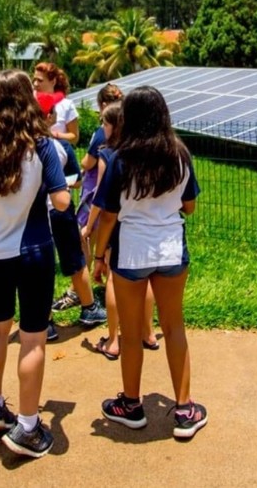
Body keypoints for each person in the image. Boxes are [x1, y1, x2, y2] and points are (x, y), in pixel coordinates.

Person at [0, 69, 71, 459]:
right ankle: (28, 425)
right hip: (34, 251)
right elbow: (60, 202)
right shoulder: (40, 145)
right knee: (32, 337)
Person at [93, 86, 208, 440]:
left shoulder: (118, 159)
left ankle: (131, 404)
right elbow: (189, 206)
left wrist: (98, 257)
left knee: (130, 333)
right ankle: (185, 408)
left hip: (131, 252)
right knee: (173, 328)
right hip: (172, 249)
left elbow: (109, 216)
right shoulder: (180, 155)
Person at [82, 102, 159, 360]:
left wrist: (90, 228)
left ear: (115, 125)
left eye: (104, 123)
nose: (101, 128)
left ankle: (113, 340)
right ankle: (148, 333)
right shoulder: (145, 152)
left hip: (117, 225)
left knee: (114, 279)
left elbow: (100, 200)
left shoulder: (108, 156)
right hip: (144, 226)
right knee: (146, 280)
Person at [36, 91, 106, 343]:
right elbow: (76, 181)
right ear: (47, 116)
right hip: (60, 210)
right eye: (53, 111)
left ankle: (44, 322)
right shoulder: (60, 146)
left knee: (41, 266)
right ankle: (89, 309)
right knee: (75, 259)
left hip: (32, 214)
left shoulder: (17, 144)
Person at [55, 83, 124, 313]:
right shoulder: (127, 133)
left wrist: (79, 163)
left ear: (103, 105)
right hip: (117, 202)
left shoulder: (100, 134)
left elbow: (89, 162)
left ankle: (79, 290)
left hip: (94, 195)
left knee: (82, 236)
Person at [32, 62, 78, 144]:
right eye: (34, 79)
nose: (35, 84)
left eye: (40, 80)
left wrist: (54, 135)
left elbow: (74, 137)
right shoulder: (30, 102)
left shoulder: (66, 105)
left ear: (53, 82)